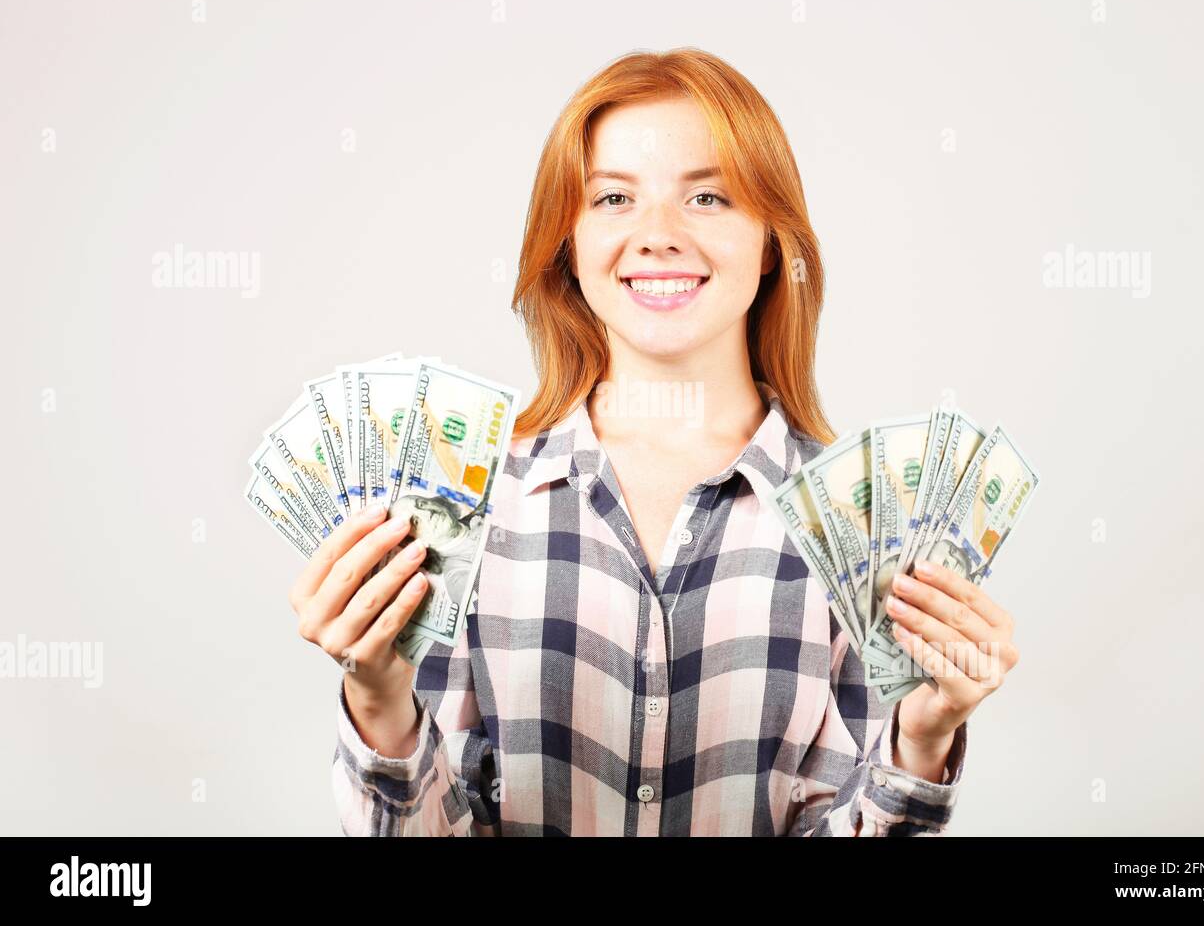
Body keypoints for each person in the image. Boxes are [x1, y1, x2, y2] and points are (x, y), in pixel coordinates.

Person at [289, 48, 1021, 836]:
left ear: (771, 239)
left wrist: (923, 737)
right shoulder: (471, 502)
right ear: (566, 242)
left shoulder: (858, 529)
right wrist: (377, 700)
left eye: (707, 196)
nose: (658, 236)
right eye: (612, 198)